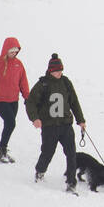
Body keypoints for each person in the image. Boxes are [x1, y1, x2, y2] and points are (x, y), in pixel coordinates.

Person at [26, 54, 86, 192]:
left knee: (71, 153)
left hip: (66, 125)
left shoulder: (66, 82)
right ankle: (40, 171)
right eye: (56, 71)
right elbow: (31, 102)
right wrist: (35, 118)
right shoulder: (43, 84)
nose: (59, 73)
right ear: (50, 70)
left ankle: (71, 182)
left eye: (60, 70)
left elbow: (74, 102)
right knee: (48, 152)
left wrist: (81, 120)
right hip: (49, 126)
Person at [0, 37, 29, 163]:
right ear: (6, 50)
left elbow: (23, 82)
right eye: (11, 51)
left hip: (14, 100)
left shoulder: (19, 64)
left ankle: (3, 149)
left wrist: (27, 97)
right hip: (0, 100)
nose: (14, 53)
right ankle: (1, 151)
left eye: (16, 51)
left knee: (10, 124)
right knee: (11, 123)